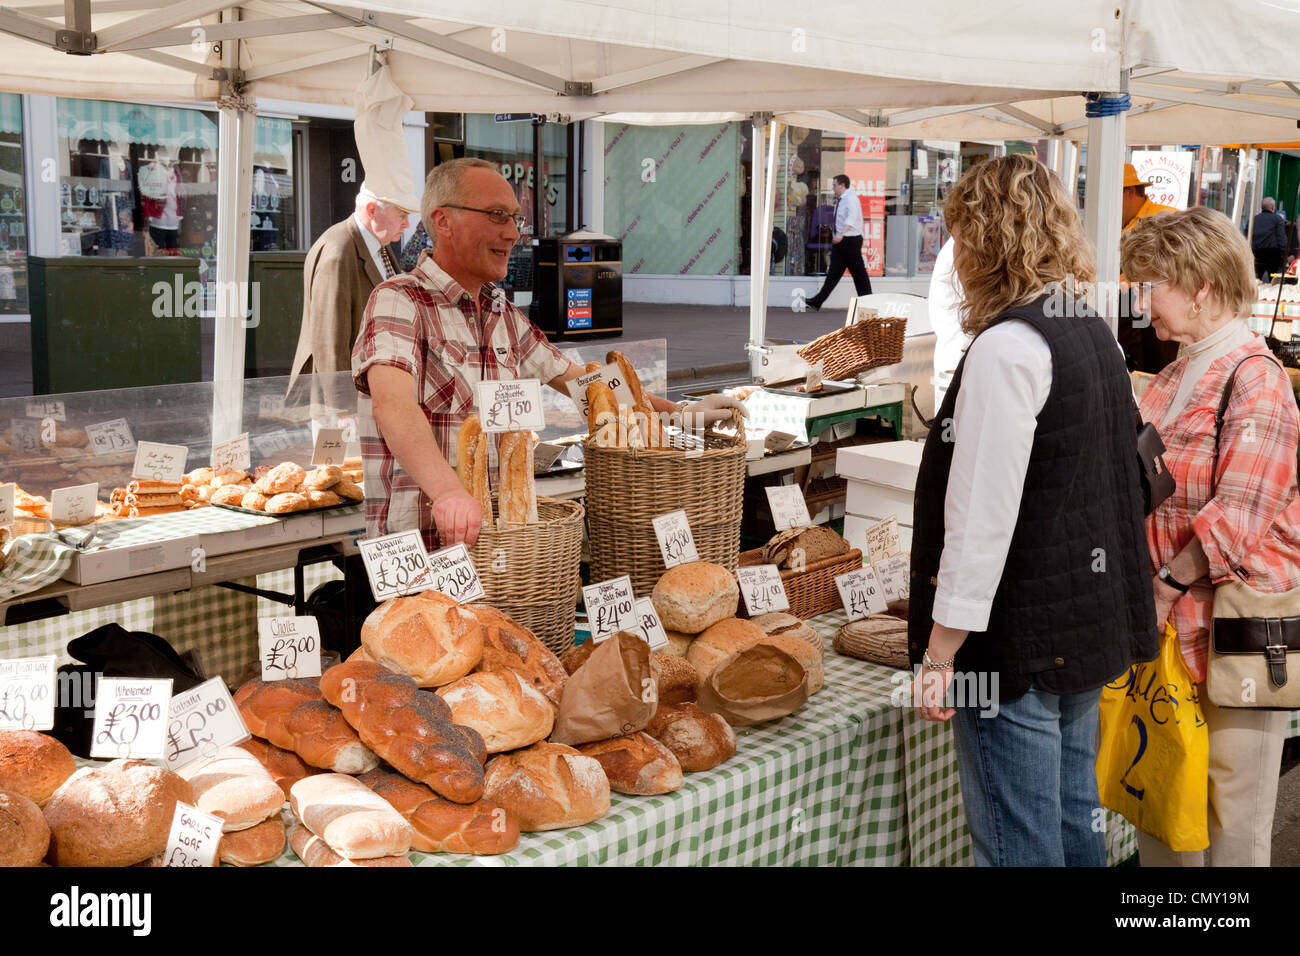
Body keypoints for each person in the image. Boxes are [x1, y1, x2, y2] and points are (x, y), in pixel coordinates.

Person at [907, 154, 1157, 867]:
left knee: (1019, 848)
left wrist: (941, 651)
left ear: (981, 241)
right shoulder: (1091, 330)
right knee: (1078, 827)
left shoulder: (1008, 347)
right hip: (1086, 622)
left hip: (1013, 643)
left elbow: (982, 520)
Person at [352, 158, 744, 550]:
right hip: (421, 549)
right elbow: (392, 405)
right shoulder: (399, 301)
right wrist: (448, 493)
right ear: (443, 221)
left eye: (516, 220)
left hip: (496, 550)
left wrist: (680, 415)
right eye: (496, 216)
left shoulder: (503, 314)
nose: (512, 234)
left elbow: (588, 387)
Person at [1123, 206, 1300, 866]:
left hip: (1236, 635)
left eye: (1152, 286)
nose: (1144, 305)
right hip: (1168, 635)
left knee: (1232, 822)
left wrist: (1165, 585)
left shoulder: (1258, 379)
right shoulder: (1169, 378)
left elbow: (1241, 515)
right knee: (1164, 802)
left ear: (1199, 282)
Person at [288, 182, 417, 412]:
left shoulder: (378, 243)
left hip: (370, 391)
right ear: (371, 210)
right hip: (340, 402)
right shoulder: (338, 252)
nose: (407, 224)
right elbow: (329, 339)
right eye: (401, 215)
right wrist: (341, 408)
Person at [1118, 163, 1180, 374]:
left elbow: (1175, 265)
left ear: (1130, 192)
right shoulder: (1118, 222)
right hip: (1128, 312)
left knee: (1158, 369)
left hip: (1159, 307)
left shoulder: (1165, 216)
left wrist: (1127, 279)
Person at [804, 174, 871, 311]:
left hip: (850, 241)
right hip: (841, 242)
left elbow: (852, 218)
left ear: (842, 185)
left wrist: (841, 234)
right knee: (834, 273)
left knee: (859, 274)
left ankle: (868, 301)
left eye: (834, 185)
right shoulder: (841, 200)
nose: (833, 188)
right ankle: (817, 301)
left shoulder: (851, 199)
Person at [1251, 197, 1288, 282]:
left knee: (1256, 281)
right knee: (1274, 282)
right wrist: (1284, 255)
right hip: (1273, 256)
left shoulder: (1254, 219)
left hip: (1256, 255)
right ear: (1272, 207)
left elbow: (1247, 237)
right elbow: (1282, 239)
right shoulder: (1278, 219)